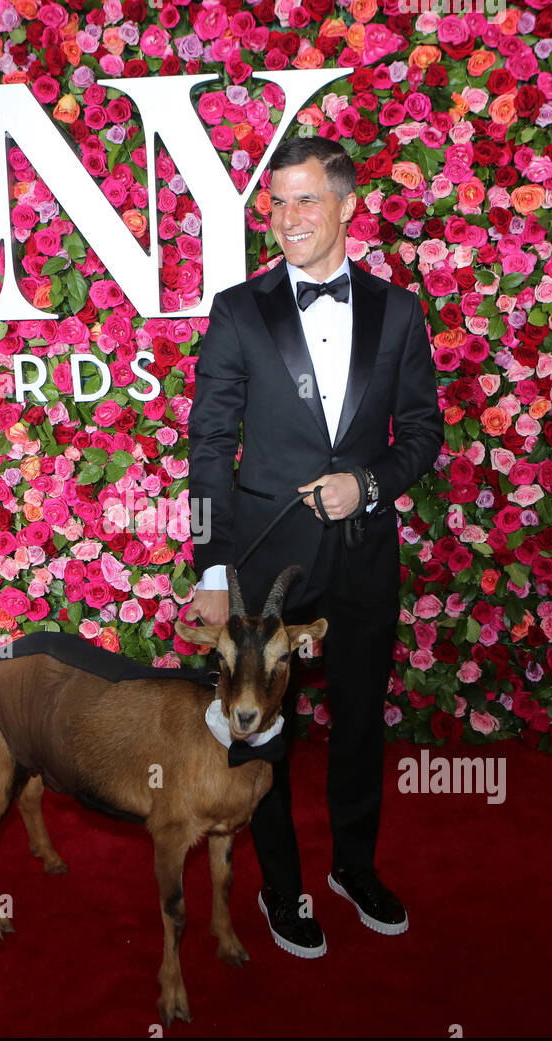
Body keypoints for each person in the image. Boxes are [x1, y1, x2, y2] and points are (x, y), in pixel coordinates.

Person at [184, 135, 444, 958]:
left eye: (304, 200)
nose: (287, 219)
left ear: (346, 205)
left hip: (365, 554)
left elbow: (424, 432)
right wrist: (210, 566)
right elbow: (206, 444)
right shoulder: (238, 309)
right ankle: (283, 888)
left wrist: (366, 486)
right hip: (262, 563)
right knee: (264, 732)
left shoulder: (398, 312)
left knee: (362, 721)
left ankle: (355, 869)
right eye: (277, 204)